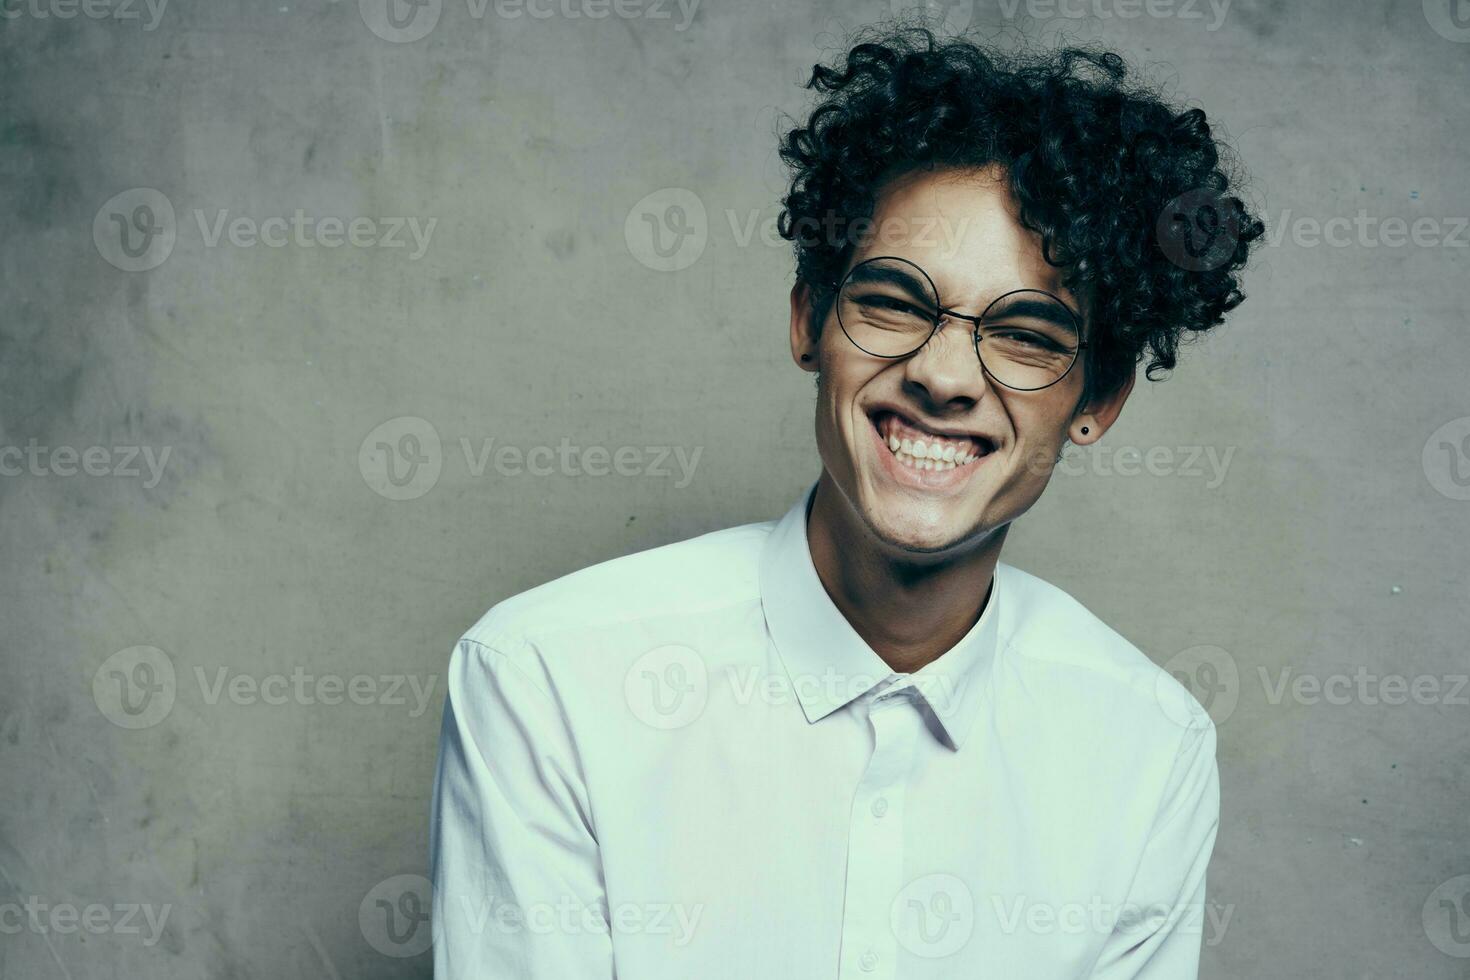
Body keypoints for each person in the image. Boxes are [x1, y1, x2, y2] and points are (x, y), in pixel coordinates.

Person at [430, 24, 1263, 980]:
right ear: (808, 322)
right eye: (897, 302)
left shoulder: (1148, 749)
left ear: (1096, 403)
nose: (945, 376)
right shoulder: (549, 680)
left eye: (1028, 332)